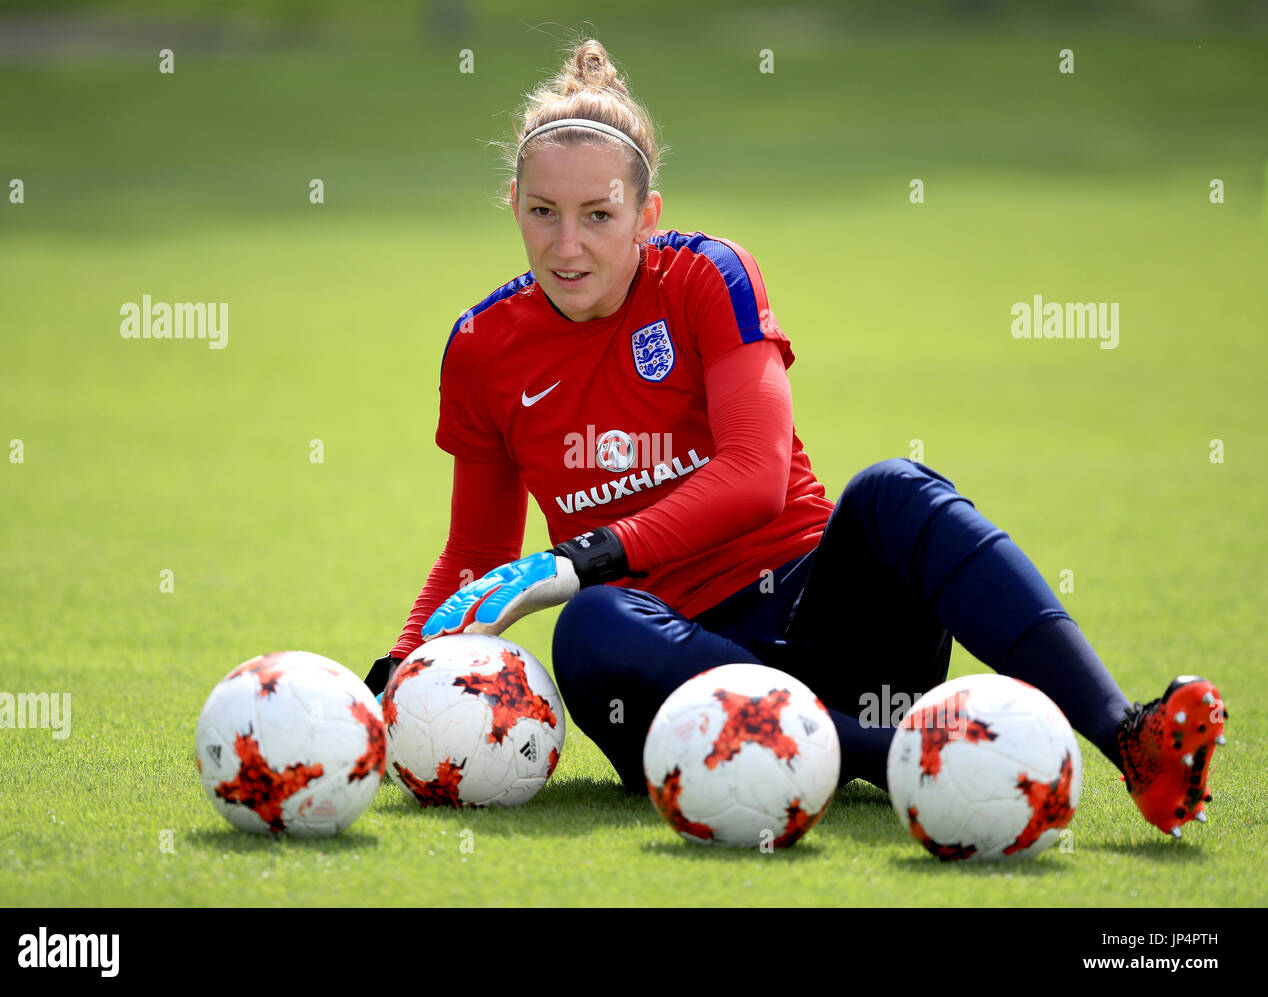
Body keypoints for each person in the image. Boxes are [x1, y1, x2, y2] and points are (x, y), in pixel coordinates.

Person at [365, 39, 1225, 839]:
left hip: (833, 631)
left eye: (598, 214)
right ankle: (913, 762)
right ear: (512, 204)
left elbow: (755, 475)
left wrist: (583, 553)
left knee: (895, 487)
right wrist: (392, 676)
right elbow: (475, 552)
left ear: (646, 214)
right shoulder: (481, 347)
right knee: (588, 626)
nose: (567, 243)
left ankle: (1132, 741)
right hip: (677, 680)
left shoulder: (708, 275)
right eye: (544, 212)